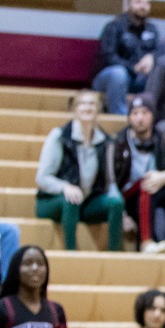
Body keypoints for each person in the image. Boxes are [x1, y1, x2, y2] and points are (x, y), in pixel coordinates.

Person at [35, 89, 125, 252]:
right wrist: (65, 187)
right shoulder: (60, 136)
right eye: (82, 103)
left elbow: (110, 181)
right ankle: (71, 252)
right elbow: (42, 178)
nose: (87, 107)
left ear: (98, 109)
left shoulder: (105, 141)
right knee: (72, 198)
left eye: (92, 104)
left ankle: (115, 254)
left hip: (87, 202)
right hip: (52, 201)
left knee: (116, 203)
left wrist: (123, 211)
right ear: (75, 109)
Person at [113, 95, 165, 255]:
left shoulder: (164, 137)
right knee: (147, 183)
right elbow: (110, 180)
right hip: (129, 194)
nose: (140, 118)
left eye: (144, 112)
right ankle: (146, 242)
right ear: (129, 117)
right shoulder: (119, 141)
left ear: (153, 115)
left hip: (157, 188)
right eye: (135, 113)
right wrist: (122, 214)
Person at [93, 0, 161, 114]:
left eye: (146, 3)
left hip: (140, 79)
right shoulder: (114, 26)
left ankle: (152, 118)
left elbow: (161, 54)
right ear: (128, 3)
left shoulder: (153, 29)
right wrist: (133, 68)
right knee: (118, 73)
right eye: (138, 2)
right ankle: (121, 119)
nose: (143, 6)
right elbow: (108, 56)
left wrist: (153, 58)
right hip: (110, 78)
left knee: (160, 73)